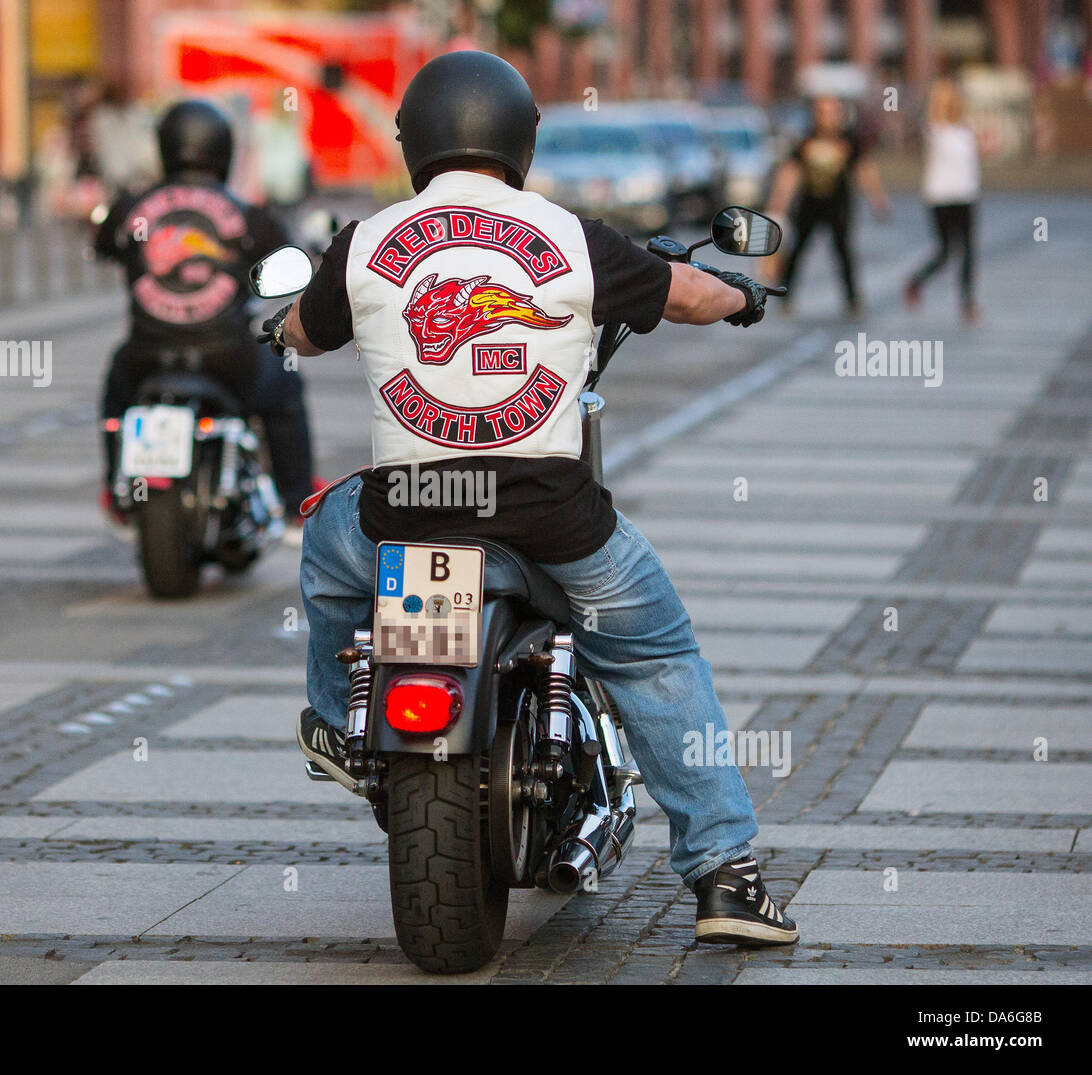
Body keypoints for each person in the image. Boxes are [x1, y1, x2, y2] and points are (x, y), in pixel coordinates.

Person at [270, 52, 797, 946]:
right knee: (654, 656)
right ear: (519, 137)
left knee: (323, 537)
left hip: (406, 514)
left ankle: (333, 721)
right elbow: (690, 294)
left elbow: (301, 332)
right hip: (555, 522)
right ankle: (726, 875)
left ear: (418, 142)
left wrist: (280, 320)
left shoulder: (365, 241)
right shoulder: (572, 236)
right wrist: (742, 293)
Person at [94, 100, 314, 531]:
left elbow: (104, 244)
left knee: (114, 394)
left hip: (146, 357)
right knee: (286, 387)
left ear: (165, 148)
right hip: (230, 357)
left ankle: (116, 486)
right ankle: (295, 498)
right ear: (224, 151)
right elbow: (287, 258)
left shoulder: (131, 208)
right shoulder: (247, 213)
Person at [766, 95, 891, 318]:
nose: (828, 116)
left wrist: (878, 200)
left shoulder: (849, 141)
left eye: (833, 111)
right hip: (809, 204)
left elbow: (864, 170)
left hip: (838, 205)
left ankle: (852, 300)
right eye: (823, 111)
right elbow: (790, 174)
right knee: (798, 250)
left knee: (843, 251)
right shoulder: (805, 140)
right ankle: (785, 294)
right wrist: (778, 204)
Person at [903, 78, 980, 322]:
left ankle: (967, 302)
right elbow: (913, 140)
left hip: (965, 195)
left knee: (968, 250)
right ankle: (915, 281)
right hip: (940, 197)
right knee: (946, 251)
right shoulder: (932, 129)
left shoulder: (965, 129)